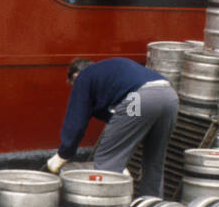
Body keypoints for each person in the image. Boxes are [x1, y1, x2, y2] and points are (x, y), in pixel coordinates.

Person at [48, 57, 178, 198]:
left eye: (74, 86)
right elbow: (119, 119)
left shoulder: (84, 77)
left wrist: (63, 154)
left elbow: (76, 121)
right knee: (154, 160)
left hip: (139, 99)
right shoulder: (109, 72)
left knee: (106, 159)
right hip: (170, 96)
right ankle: (153, 205)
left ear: (75, 76)